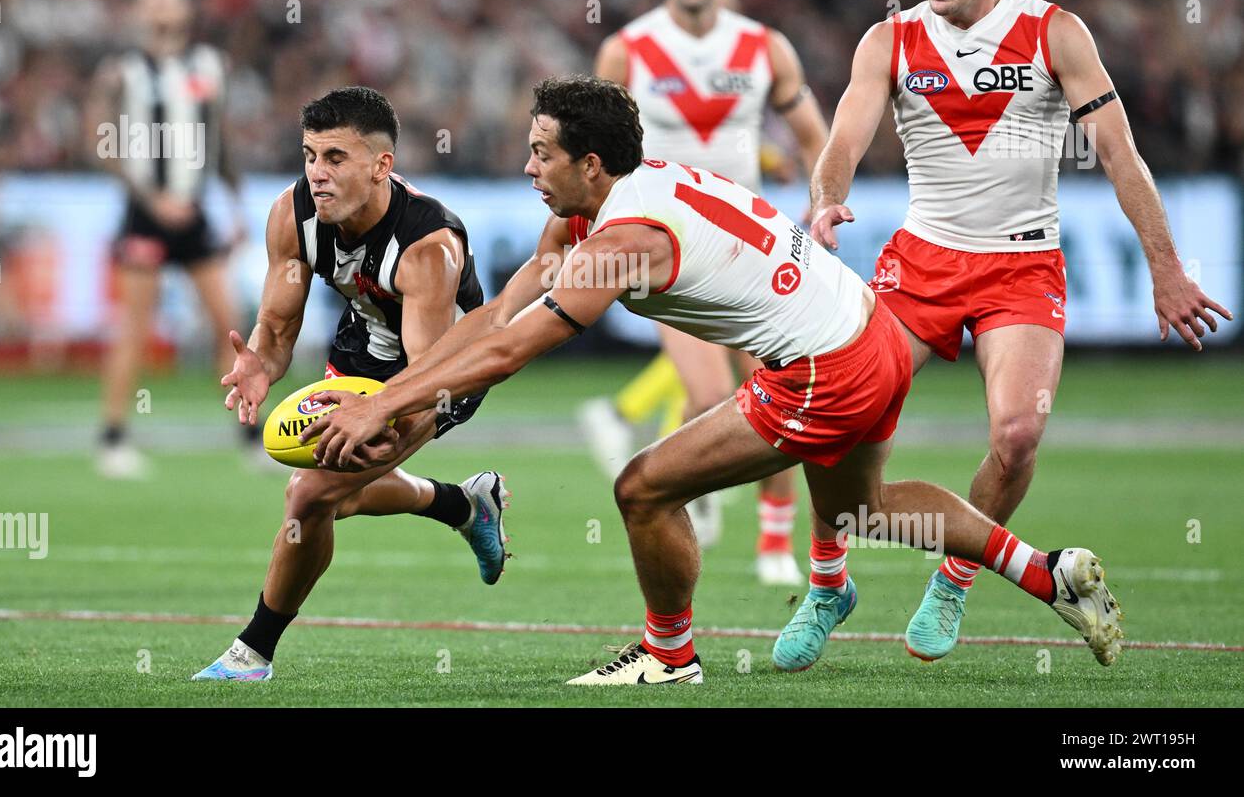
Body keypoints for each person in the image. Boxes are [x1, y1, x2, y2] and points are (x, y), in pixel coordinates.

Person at [300, 75, 1124, 685]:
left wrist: (392, 400)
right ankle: (1047, 571)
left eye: (540, 152)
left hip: (821, 371)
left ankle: (669, 655)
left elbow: (512, 353)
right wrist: (397, 392)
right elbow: (502, 313)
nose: (526, 167)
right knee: (863, 512)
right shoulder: (625, 186)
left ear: (589, 163)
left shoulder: (628, 239)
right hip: (866, 329)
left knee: (642, 488)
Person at [805, 0, 1232, 662]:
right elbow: (843, 143)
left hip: (1021, 268)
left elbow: (1118, 153)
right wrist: (826, 198)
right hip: (921, 264)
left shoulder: (1053, 32)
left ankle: (954, 580)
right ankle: (828, 584)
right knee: (839, 416)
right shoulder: (890, 39)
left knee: (1019, 433)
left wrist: (1166, 268)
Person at [191, 87, 507, 681]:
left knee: (310, 495)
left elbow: (426, 378)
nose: (318, 173)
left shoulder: (426, 248)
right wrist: (261, 361)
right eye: (310, 155)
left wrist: (392, 421)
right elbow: (279, 324)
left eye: (336, 158)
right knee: (344, 493)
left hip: (444, 372)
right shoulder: (292, 212)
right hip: (362, 347)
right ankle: (465, 504)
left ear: (381, 166)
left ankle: (251, 653)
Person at [579, 0, 830, 584]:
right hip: (667, 253)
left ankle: (774, 544)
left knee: (780, 386)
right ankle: (696, 489)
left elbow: (813, 134)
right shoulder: (626, 50)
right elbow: (594, 152)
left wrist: (822, 202)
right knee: (711, 392)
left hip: (752, 248)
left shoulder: (764, 47)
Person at [85, 0, 247, 478]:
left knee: (233, 323)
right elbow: (99, 144)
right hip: (145, 216)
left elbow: (218, 140)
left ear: (185, 8)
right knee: (135, 325)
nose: (161, 5)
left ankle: (248, 435)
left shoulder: (210, 66)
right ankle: (112, 438)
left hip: (195, 214)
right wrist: (152, 201)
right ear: (137, 9)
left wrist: (236, 203)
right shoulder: (121, 72)